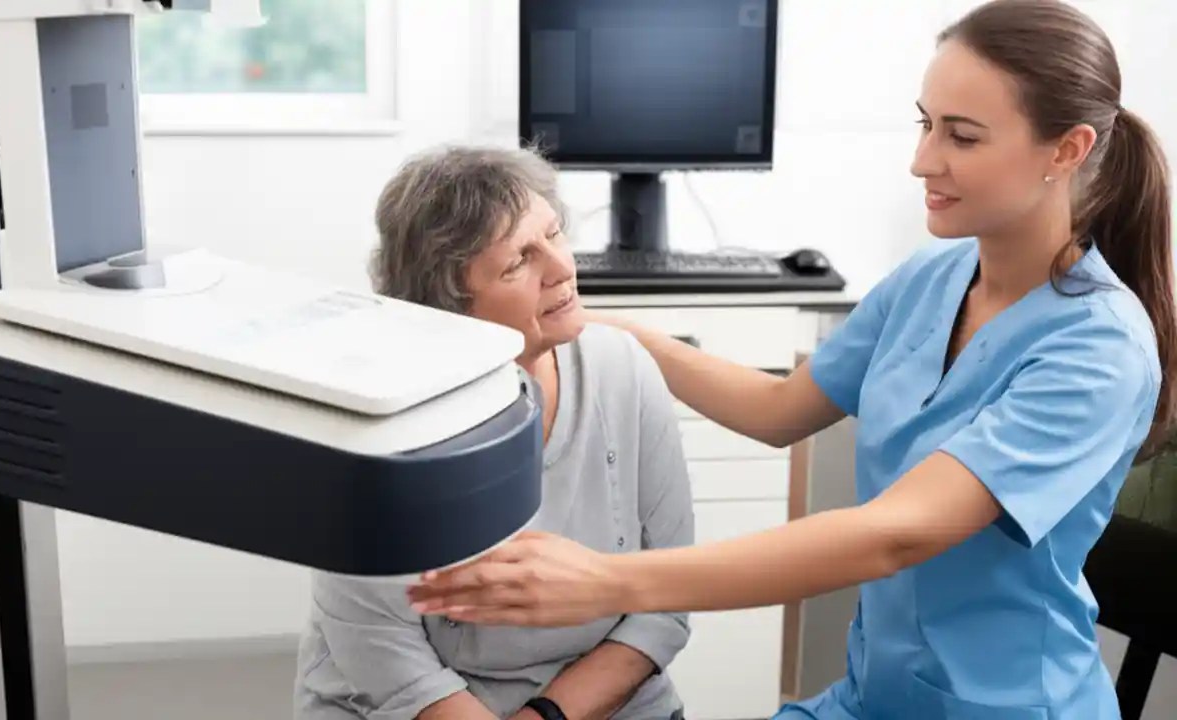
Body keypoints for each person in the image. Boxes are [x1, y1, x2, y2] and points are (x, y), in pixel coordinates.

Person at [406, 1, 1176, 718]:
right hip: (872, 696)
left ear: (1067, 150)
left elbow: (895, 534)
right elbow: (778, 412)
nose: (920, 161)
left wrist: (602, 582)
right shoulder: (934, 277)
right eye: (924, 124)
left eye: (961, 136)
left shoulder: (1099, 348)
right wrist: (592, 322)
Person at [293, 145, 696, 720]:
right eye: (518, 263)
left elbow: (666, 598)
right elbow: (390, 658)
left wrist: (547, 716)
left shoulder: (622, 369)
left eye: (555, 235)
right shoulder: (375, 420)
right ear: (450, 303)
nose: (561, 268)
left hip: (606, 700)